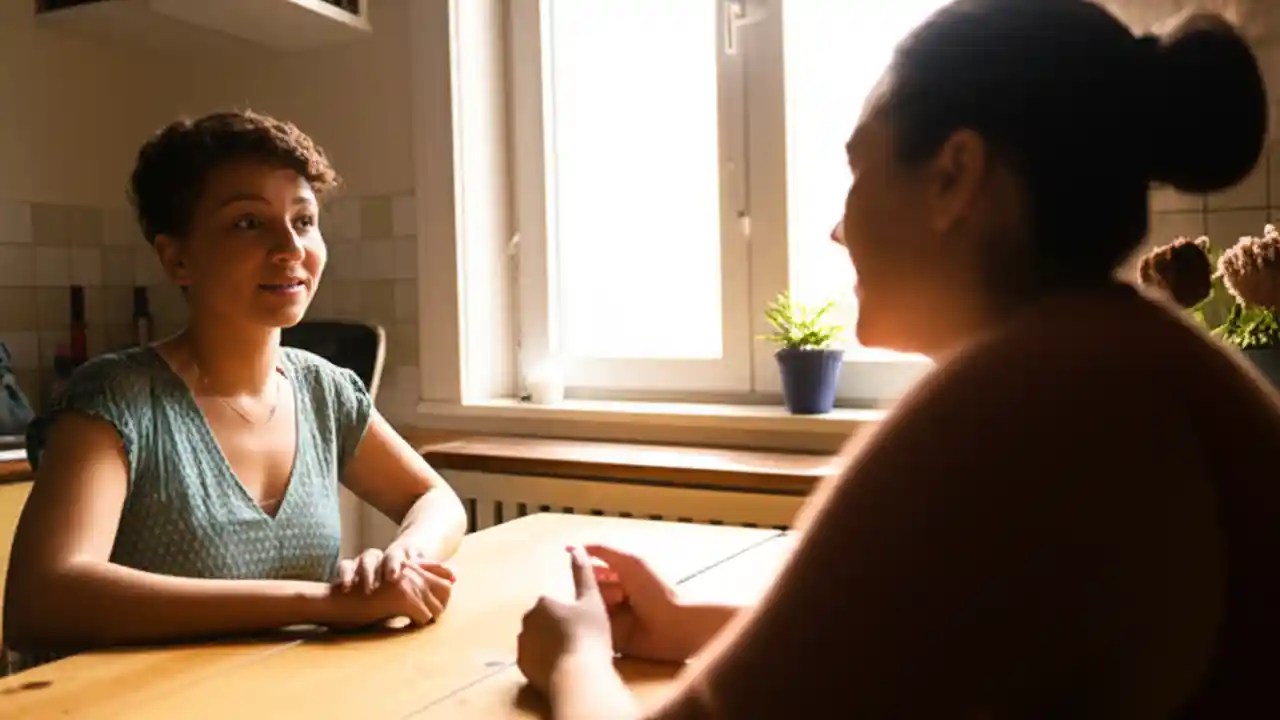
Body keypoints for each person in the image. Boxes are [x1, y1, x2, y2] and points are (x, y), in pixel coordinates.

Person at [515, 0, 1280, 717]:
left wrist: (576, 658)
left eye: (858, 168)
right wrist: (681, 624)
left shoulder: (1025, 399)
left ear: (954, 176)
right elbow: (951, 635)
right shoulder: (1127, 362)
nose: (837, 230)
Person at [2, 110, 467, 674]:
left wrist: (400, 564)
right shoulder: (115, 400)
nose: (290, 247)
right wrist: (323, 604)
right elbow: (42, 601)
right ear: (177, 258)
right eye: (248, 222)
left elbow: (436, 500)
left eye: (304, 220)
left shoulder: (325, 391)